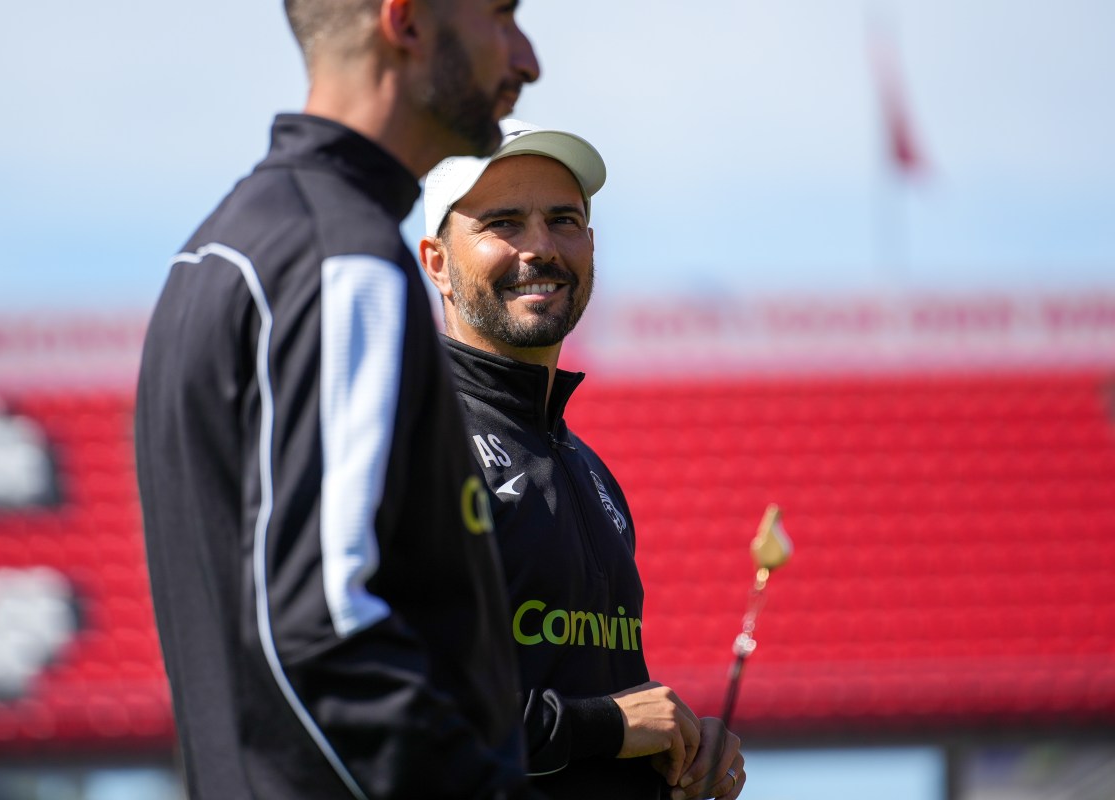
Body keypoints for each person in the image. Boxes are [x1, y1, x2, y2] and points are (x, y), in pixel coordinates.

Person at [133, 2, 542, 798]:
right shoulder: (343, 262)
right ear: (407, 23)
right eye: (501, 16)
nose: (527, 60)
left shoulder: (220, 250)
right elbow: (323, 631)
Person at [417, 119, 747, 800]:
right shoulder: (418, 438)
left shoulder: (590, 469)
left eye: (563, 220)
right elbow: (409, 709)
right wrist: (606, 727)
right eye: (504, 223)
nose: (540, 247)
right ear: (438, 263)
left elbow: (612, 714)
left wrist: (680, 752)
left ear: (591, 247)